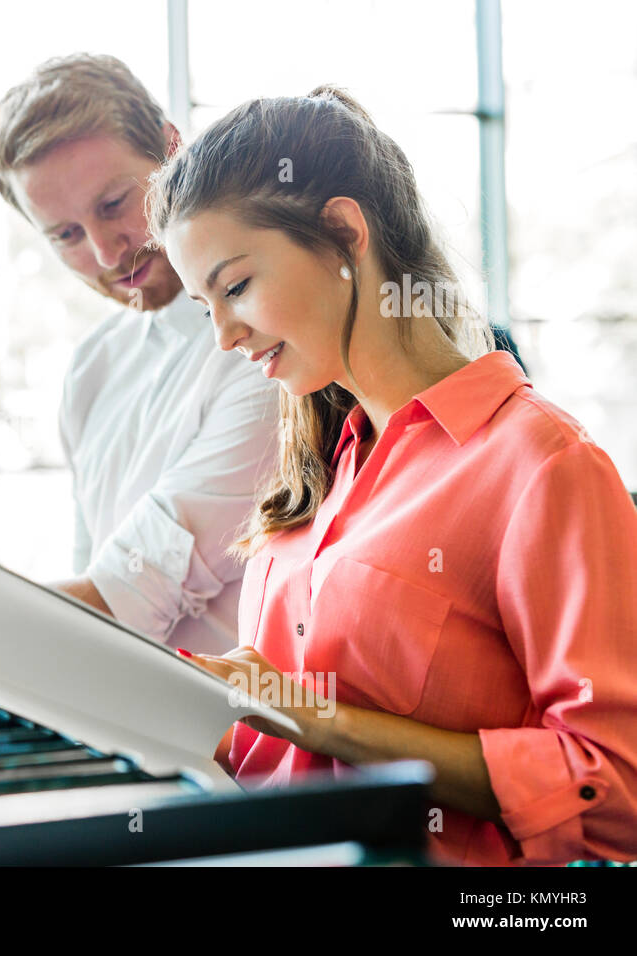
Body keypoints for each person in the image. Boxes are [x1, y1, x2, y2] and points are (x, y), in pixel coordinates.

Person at [150, 86, 637, 865]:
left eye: (236, 286)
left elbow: (615, 790)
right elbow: (270, 761)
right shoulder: (321, 464)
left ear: (344, 233)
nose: (223, 335)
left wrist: (315, 715)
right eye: (205, 304)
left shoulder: (544, 467)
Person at [0, 54, 280, 654]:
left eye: (114, 203)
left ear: (173, 151)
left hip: (244, 742)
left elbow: (124, 595)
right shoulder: (91, 371)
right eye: (66, 235)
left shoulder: (271, 345)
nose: (105, 250)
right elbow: (86, 594)